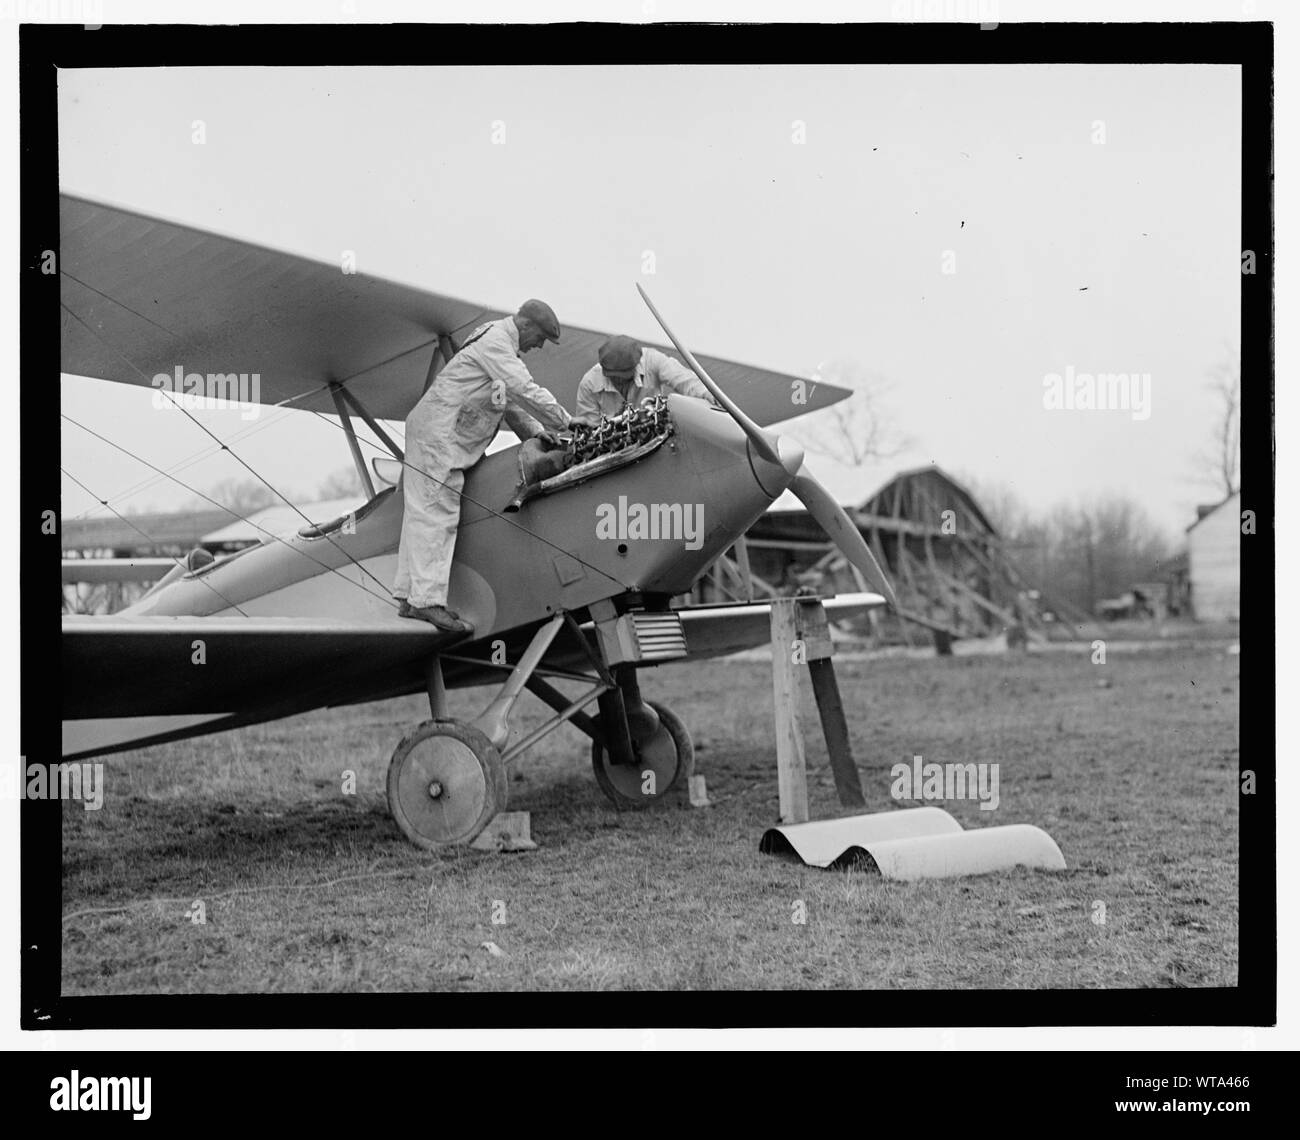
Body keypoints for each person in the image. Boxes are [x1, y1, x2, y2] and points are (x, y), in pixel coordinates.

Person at [393, 299, 572, 632]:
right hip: (439, 435)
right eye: (541, 337)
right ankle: (426, 602)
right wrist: (569, 422)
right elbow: (524, 389)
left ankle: (409, 597)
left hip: (437, 432)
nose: (539, 346)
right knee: (437, 511)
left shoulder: (495, 343)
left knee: (424, 512)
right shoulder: (496, 344)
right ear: (527, 326)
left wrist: (537, 432)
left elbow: (508, 402)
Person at [572, 335, 714, 426]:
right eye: (612, 377)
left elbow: (683, 380)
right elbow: (589, 427)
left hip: (655, 430)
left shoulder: (653, 360)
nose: (618, 382)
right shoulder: (589, 383)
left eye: (622, 377)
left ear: (635, 366)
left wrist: (706, 394)